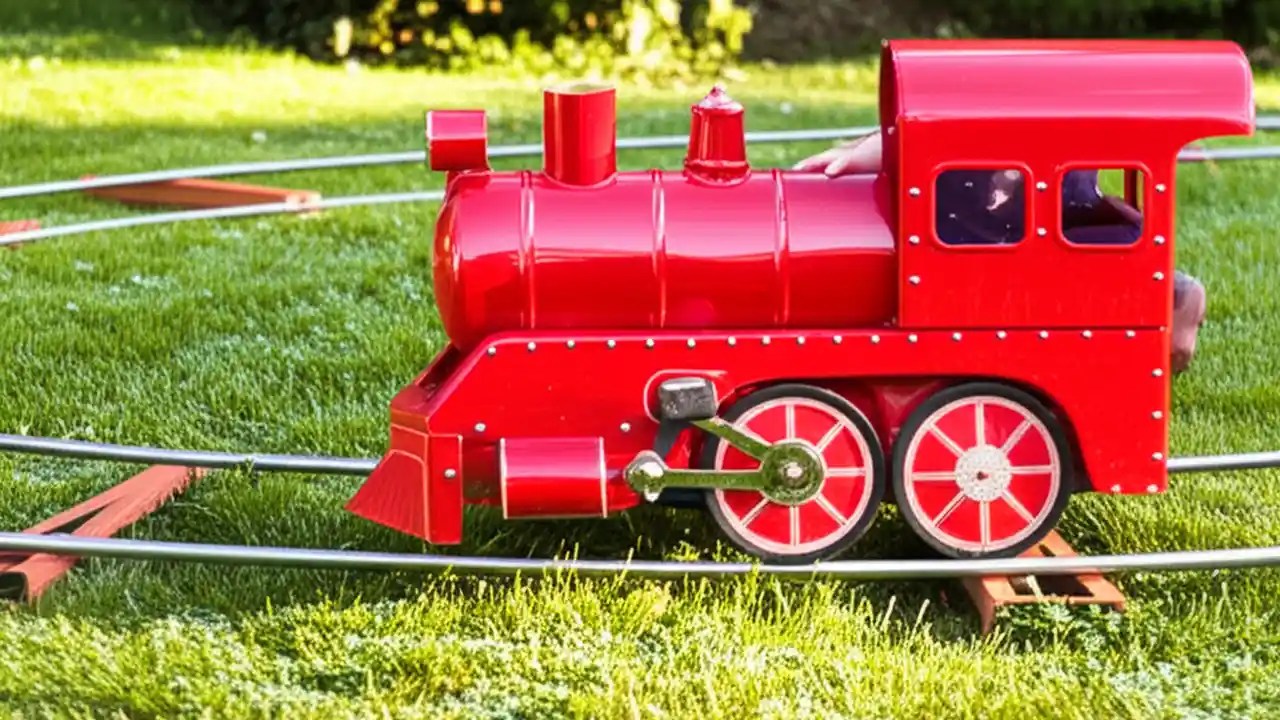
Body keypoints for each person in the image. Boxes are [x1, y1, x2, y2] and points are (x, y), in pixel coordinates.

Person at [792, 130, 1207, 374]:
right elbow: (928, 125)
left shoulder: (1101, 221)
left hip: (1020, 258)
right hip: (999, 245)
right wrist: (860, 153)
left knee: (1134, 253)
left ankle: (1172, 304)